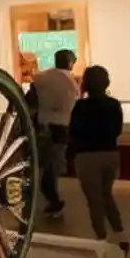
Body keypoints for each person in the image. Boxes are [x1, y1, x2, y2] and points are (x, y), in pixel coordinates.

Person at [69, 66, 128, 253]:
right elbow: (117, 130)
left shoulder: (80, 107)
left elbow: (74, 131)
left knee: (94, 200)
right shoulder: (113, 104)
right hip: (110, 154)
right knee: (106, 195)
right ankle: (120, 234)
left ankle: (101, 239)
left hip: (87, 156)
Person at [28, 49, 79, 217]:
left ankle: (48, 199)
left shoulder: (41, 78)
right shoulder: (71, 83)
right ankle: (53, 200)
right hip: (61, 129)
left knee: (41, 164)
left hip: (41, 126)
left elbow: (30, 100)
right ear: (70, 62)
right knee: (52, 167)